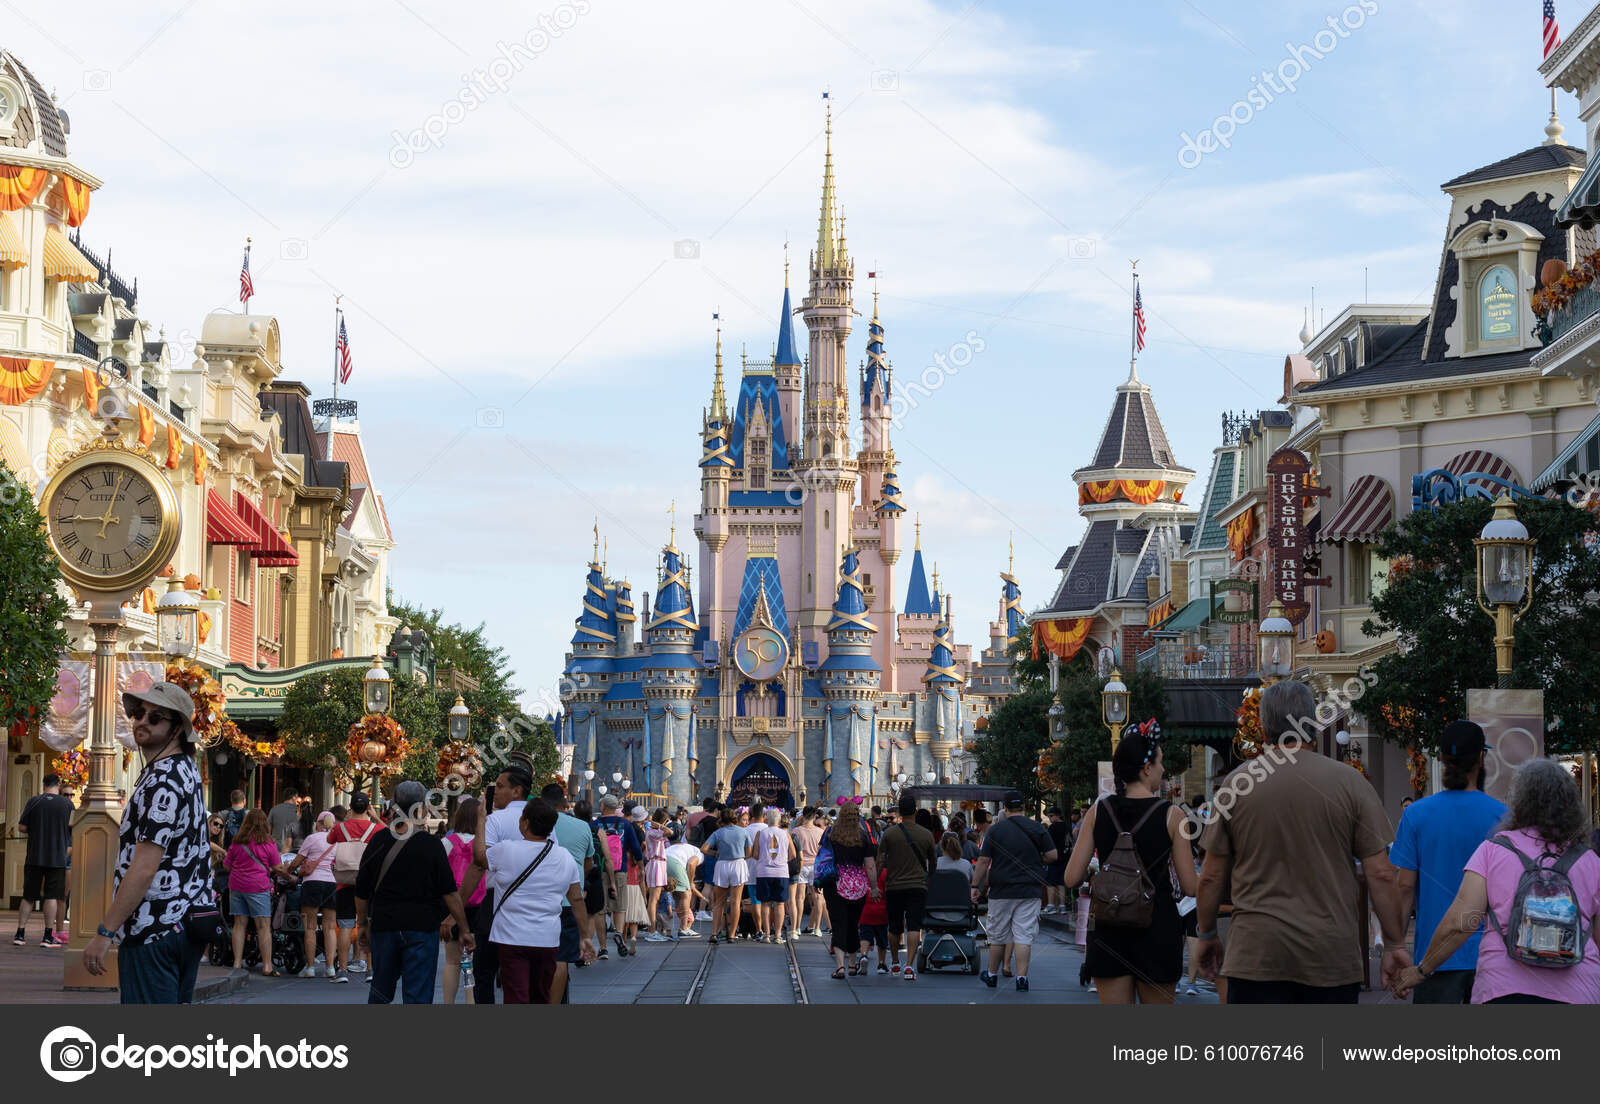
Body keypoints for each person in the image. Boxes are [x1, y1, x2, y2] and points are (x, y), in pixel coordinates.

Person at [1195, 680, 1409, 1003]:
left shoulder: (1236, 786)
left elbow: (1211, 876)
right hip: (1330, 958)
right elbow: (1380, 873)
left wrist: (1207, 934)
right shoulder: (1351, 782)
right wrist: (1394, 944)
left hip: (1256, 957)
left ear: (1264, 730)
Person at [1393, 758, 1600, 1004]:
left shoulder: (1494, 850)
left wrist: (1421, 970)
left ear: (1519, 801)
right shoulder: (1590, 860)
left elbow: (1459, 924)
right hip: (1578, 992)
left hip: (1503, 991)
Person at [83, 682, 215, 1003]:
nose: (142, 721)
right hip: (187, 921)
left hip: (155, 927)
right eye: (139, 713)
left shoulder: (163, 780)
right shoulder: (184, 770)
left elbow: (143, 869)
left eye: (155, 717)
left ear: (177, 729)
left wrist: (105, 932)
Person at [1063, 726, 1199, 1003]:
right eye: (1160, 762)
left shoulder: (1098, 811)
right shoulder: (1172, 816)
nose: (1163, 770)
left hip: (1109, 928)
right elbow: (1189, 886)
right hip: (1157, 928)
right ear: (1147, 768)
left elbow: (1071, 877)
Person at [1387, 720, 1506, 1004]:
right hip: (1491, 956)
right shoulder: (1504, 817)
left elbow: (1404, 888)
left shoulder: (1416, 815)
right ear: (1480, 758)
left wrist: (1396, 947)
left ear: (1441, 760)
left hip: (1434, 956)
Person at [355, 780, 474, 1004]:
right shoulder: (431, 845)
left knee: (380, 990)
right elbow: (450, 893)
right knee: (418, 995)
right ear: (421, 809)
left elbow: (361, 890)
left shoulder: (378, 841)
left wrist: (362, 924)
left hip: (384, 926)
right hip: (421, 928)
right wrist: (464, 928)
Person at [473, 797, 594, 1004]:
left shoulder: (506, 850)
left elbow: (479, 857)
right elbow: (576, 899)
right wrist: (584, 936)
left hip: (511, 938)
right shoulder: (564, 856)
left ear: (526, 823)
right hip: (547, 938)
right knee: (541, 996)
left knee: (516, 995)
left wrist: (481, 821)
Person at [973, 790, 1057, 992]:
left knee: (997, 936)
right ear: (1023, 807)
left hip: (1001, 890)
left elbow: (984, 861)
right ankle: (1022, 978)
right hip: (1029, 890)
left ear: (1004, 808)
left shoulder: (995, 830)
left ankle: (992, 975)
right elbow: (1053, 856)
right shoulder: (1037, 828)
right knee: (1023, 936)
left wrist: (975, 886)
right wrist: (1038, 861)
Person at [538, 783, 596, 1002]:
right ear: (564, 803)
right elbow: (589, 863)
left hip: (542, 900)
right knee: (560, 958)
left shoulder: (536, 825)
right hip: (570, 901)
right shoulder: (582, 827)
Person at [878, 793, 937, 981]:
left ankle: (895, 961)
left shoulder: (889, 833)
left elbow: (880, 860)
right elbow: (933, 862)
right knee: (914, 926)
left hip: (893, 886)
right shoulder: (926, 834)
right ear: (916, 811)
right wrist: (929, 878)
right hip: (917, 885)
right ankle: (909, 966)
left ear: (899, 812)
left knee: (894, 926)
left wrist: (875, 883)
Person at [224, 808, 288, 975]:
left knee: (239, 924)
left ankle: (237, 963)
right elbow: (277, 866)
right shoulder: (268, 842)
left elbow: (226, 865)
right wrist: (289, 875)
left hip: (237, 886)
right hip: (258, 887)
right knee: (263, 926)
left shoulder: (237, 841)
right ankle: (267, 966)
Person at [820, 800, 880, 978]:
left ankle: (840, 967)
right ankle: (853, 964)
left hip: (835, 883)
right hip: (858, 886)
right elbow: (870, 865)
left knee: (838, 923)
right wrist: (875, 887)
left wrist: (818, 881)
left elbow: (822, 858)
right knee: (854, 924)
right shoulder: (864, 837)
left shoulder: (830, 833)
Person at [325, 791, 379, 981]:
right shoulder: (374, 828)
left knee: (345, 924)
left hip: (345, 881)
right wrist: (375, 817)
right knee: (368, 923)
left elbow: (328, 840)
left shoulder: (341, 829)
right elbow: (389, 834)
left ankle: (342, 970)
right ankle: (371, 969)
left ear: (350, 808)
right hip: (369, 881)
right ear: (367, 807)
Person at [16, 773, 73, 948]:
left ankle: (20, 934)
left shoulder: (34, 801)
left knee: (28, 897)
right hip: (57, 858)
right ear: (58, 785)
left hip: (35, 856)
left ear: (43, 785)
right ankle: (47, 937)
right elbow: (73, 829)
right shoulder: (67, 804)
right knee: (52, 897)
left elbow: (22, 827)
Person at [440, 798, 486, 1004]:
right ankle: (471, 1003)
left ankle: (448, 1003)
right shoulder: (484, 842)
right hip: (480, 904)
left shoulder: (447, 842)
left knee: (452, 962)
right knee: (473, 962)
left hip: (452, 905)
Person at [285, 811, 340, 978]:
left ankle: (310, 968)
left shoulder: (311, 838)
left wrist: (288, 869)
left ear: (319, 823)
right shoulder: (337, 840)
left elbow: (296, 862)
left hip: (312, 883)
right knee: (330, 927)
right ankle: (330, 968)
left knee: (310, 927)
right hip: (330, 883)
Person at [594, 794, 644, 955]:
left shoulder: (593, 825)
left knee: (600, 909)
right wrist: (641, 867)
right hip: (620, 869)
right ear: (616, 808)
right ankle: (619, 933)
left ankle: (603, 948)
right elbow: (636, 848)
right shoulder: (625, 825)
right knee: (620, 907)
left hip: (599, 870)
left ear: (602, 807)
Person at [702, 806, 753, 943]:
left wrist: (715, 853)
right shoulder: (743, 832)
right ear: (734, 818)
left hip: (722, 864)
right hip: (738, 864)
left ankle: (714, 933)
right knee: (736, 902)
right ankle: (731, 935)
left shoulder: (718, 833)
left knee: (719, 903)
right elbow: (749, 853)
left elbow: (704, 849)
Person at [749, 808, 795, 942]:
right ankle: (778, 935)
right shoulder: (785, 834)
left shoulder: (760, 833)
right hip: (781, 872)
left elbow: (755, 854)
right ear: (779, 820)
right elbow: (793, 854)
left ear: (766, 819)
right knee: (780, 904)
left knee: (765, 904)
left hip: (763, 872)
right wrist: (781, 860)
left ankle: (767, 934)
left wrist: (765, 860)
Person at [623, 805, 654, 949]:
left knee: (623, 913)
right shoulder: (638, 831)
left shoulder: (625, 828)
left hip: (624, 877)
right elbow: (642, 844)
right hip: (635, 878)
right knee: (634, 912)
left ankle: (623, 939)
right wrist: (640, 855)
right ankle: (634, 937)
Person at [793, 807, 826, 936]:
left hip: (801, 865)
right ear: (814, 817)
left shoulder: (796, 831)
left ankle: (797, 928)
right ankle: (817, 928)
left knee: (799, 897)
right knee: (818, 896)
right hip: (816, 866)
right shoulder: (820, 832)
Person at [665, 835, 702, 938]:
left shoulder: (687, 847)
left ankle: (684, 922)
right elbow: (691, 864)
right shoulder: (700, 854)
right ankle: (684, 928)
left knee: (677, 893)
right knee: (686, 893)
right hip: (675, 861)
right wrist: (690, 883)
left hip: (663, 858)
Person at [859, 864, 893, 973]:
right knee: (881, 939)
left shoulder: (863, 871)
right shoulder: (885, 872)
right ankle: (881, 964)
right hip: (882, 911)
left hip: (866, 910)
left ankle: (863, 956)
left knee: (865, 936)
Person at [1044, 808, 1070, 915]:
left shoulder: (1053, 827)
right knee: (1061, 883)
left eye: (1051, 816)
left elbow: (1047, 842)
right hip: (1065, 858)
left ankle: (1051, 905)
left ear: (1057, 816)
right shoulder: (1067, 826)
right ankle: (1062, 906)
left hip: (1054, 858)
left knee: (1050, 883)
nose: (1049, 818)